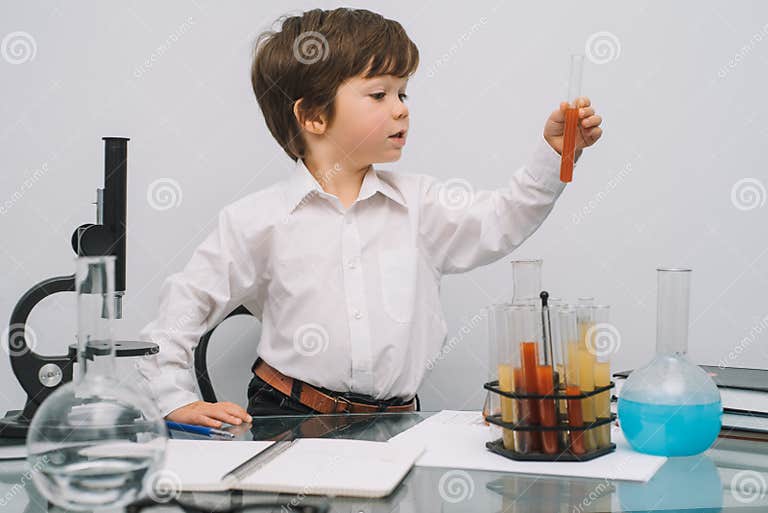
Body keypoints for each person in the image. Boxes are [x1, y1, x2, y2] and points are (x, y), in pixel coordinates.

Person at [136, 7, 603, 428]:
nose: (401, 108)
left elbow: (505, 218)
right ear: (314, 116)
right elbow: (182, 307)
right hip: (288, 416)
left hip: (399, 422)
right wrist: (173, 397)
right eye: (379, 94)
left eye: (403, 92)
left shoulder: (421, 204)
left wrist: (554, 155)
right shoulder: (257, 219)